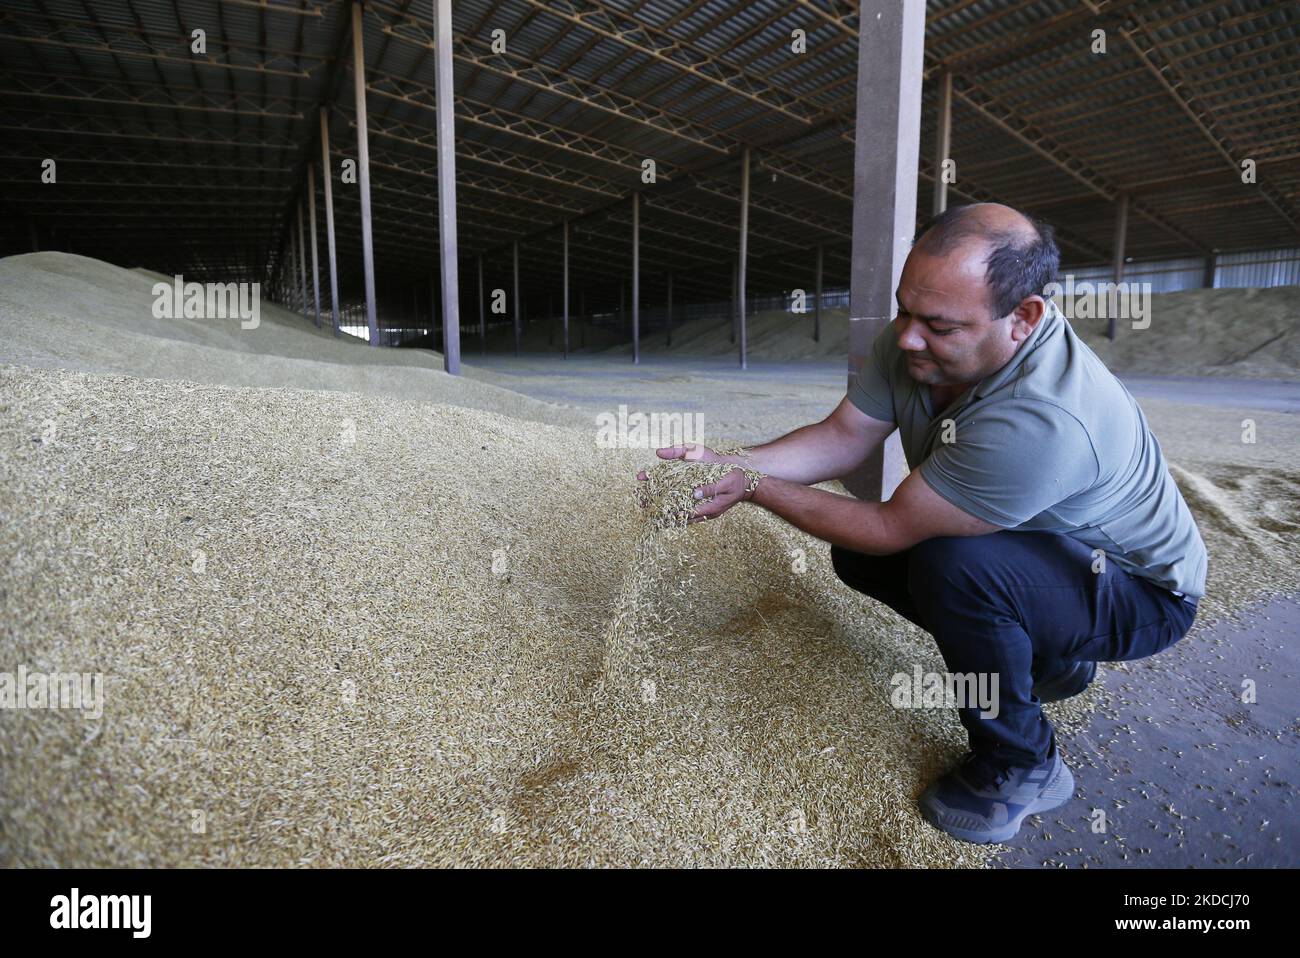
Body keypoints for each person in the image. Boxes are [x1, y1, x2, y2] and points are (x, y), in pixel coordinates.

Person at [639, 202, 1207, 844]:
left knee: (950, 566)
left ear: (1023, 318)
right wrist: (726, 463)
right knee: (858, 557)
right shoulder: (915, 339)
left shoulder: (1045, 418)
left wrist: (754, 486)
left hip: (1140, 592)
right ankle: (1051, 654)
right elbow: (842, 437)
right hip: (1044, 551)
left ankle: (1024, 764)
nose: (907, 337)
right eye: (906, 310)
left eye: (938, 325)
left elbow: (888, 524)